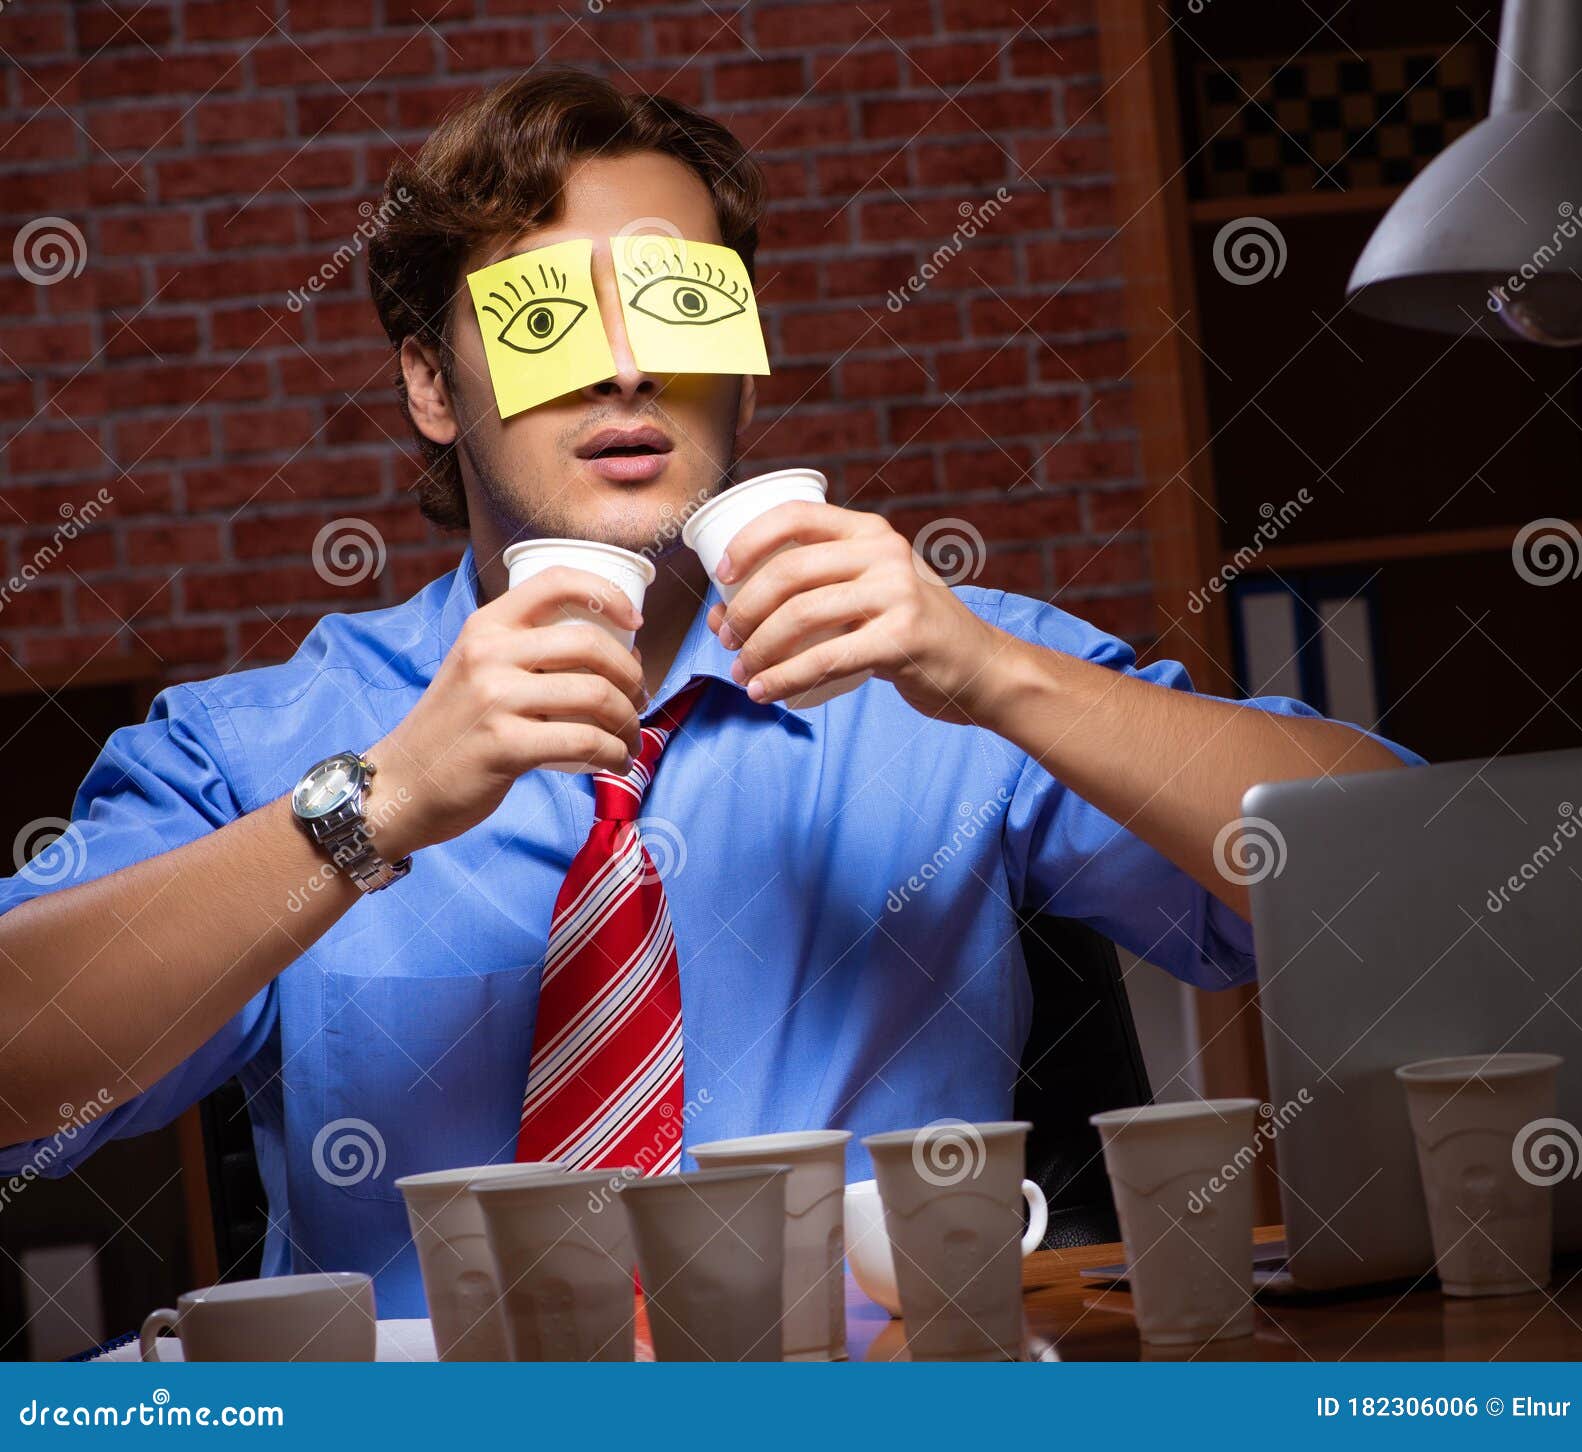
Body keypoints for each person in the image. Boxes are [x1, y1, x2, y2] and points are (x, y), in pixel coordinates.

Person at [0, 68, 1420, 1317]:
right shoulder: (263, 744)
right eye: (548, 316)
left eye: (678, 305)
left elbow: (1405, 896)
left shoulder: (946, 669)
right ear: (433, 384)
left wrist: (1005, 681)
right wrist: (372, 808)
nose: (625, 363)